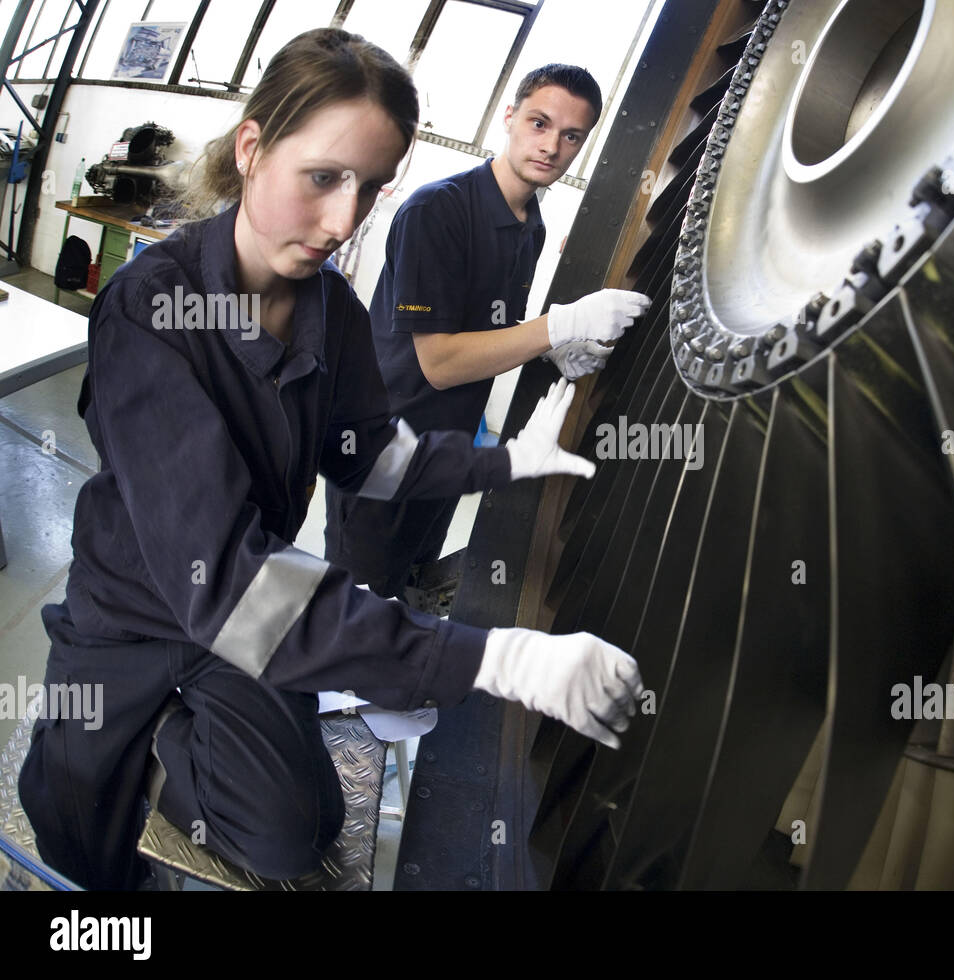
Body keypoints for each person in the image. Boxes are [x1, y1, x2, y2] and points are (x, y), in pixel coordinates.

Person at [17, 28, 641, 892]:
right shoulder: (151, 306)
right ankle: (127, 742)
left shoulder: (333, 311)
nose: (345, 221)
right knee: (75, 833)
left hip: (247, 613)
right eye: (323, 178)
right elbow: (224, 583)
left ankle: (174, 739)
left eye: (371, 188)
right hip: (141, 606)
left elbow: (369, 457)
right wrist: (500, 659)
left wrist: (502, 464)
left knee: (292, 836)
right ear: (251, 148)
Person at [324, 63, 651, 599]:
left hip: (451, 449)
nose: (551, 146)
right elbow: (440, 362)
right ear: (509, 116)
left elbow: (489, 328)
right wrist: (557, 325)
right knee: (361, 603)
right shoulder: (438, 210)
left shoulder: (531, 227)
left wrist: (549, 349)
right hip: (386, 445)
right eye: (539, 123)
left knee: (412, 583)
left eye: (572, 136)